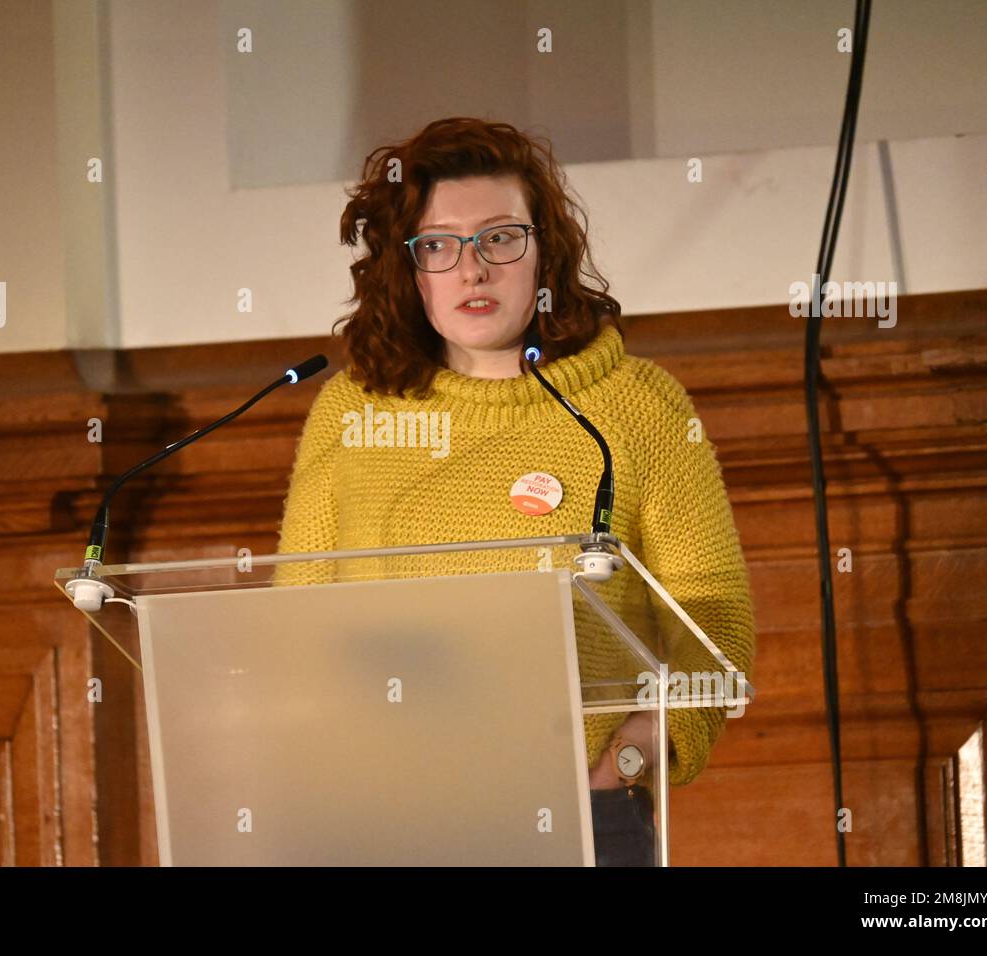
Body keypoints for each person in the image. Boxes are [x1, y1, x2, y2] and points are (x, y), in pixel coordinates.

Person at [275, 117, 756, 866]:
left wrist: (627, 757)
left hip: (579, 813)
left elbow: (713, 611)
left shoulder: (633, 406)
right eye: (439, 245)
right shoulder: (352, 413)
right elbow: (298, 625)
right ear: (409, 269)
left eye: (500, 238)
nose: (474, 270)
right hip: (384, 817)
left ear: (545, 252)